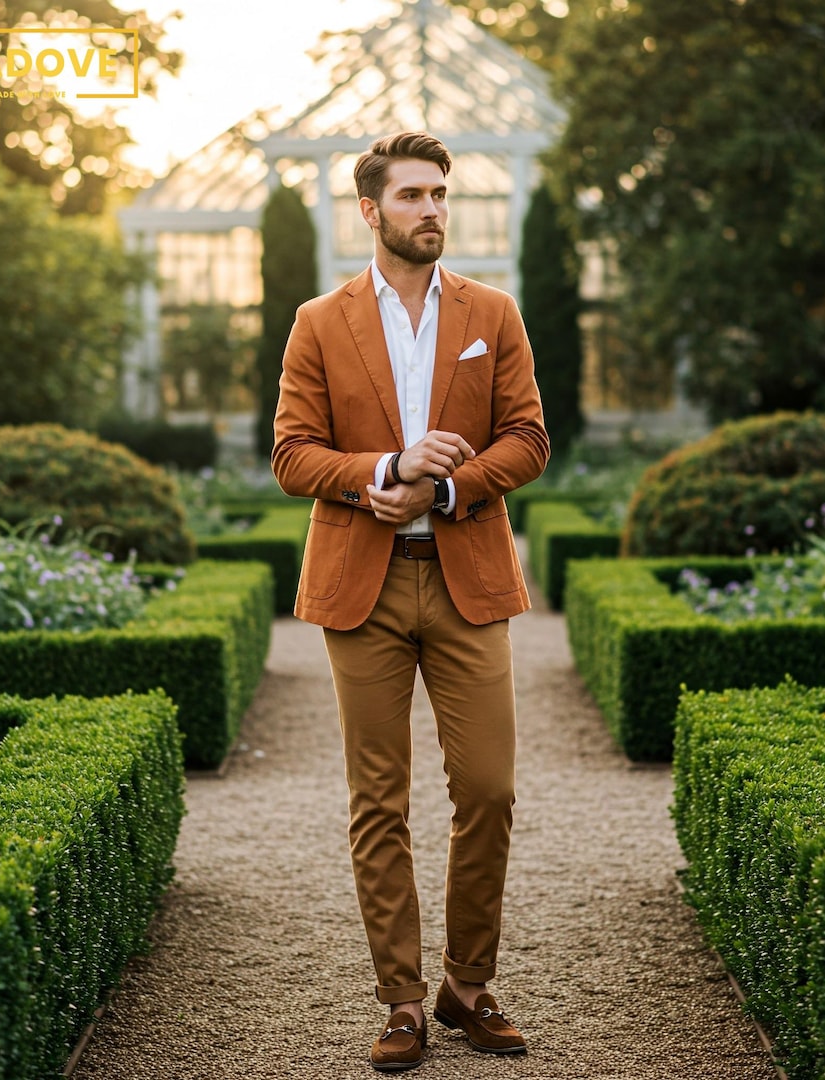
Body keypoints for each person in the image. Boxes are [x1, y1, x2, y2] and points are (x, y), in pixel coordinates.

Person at [271, 130, 550, 1071]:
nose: (432, 210)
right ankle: (401, 1001)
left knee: (490, 789)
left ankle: (467, 986)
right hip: (365, 583)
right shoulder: (319, 321)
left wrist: (445, 486)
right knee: (377, 799)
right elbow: (292, 455)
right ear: (370, 211)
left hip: (469, 577)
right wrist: (384, 471)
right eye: (412, 196)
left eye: (440, 195)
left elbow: (528, 439)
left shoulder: (492, 312)